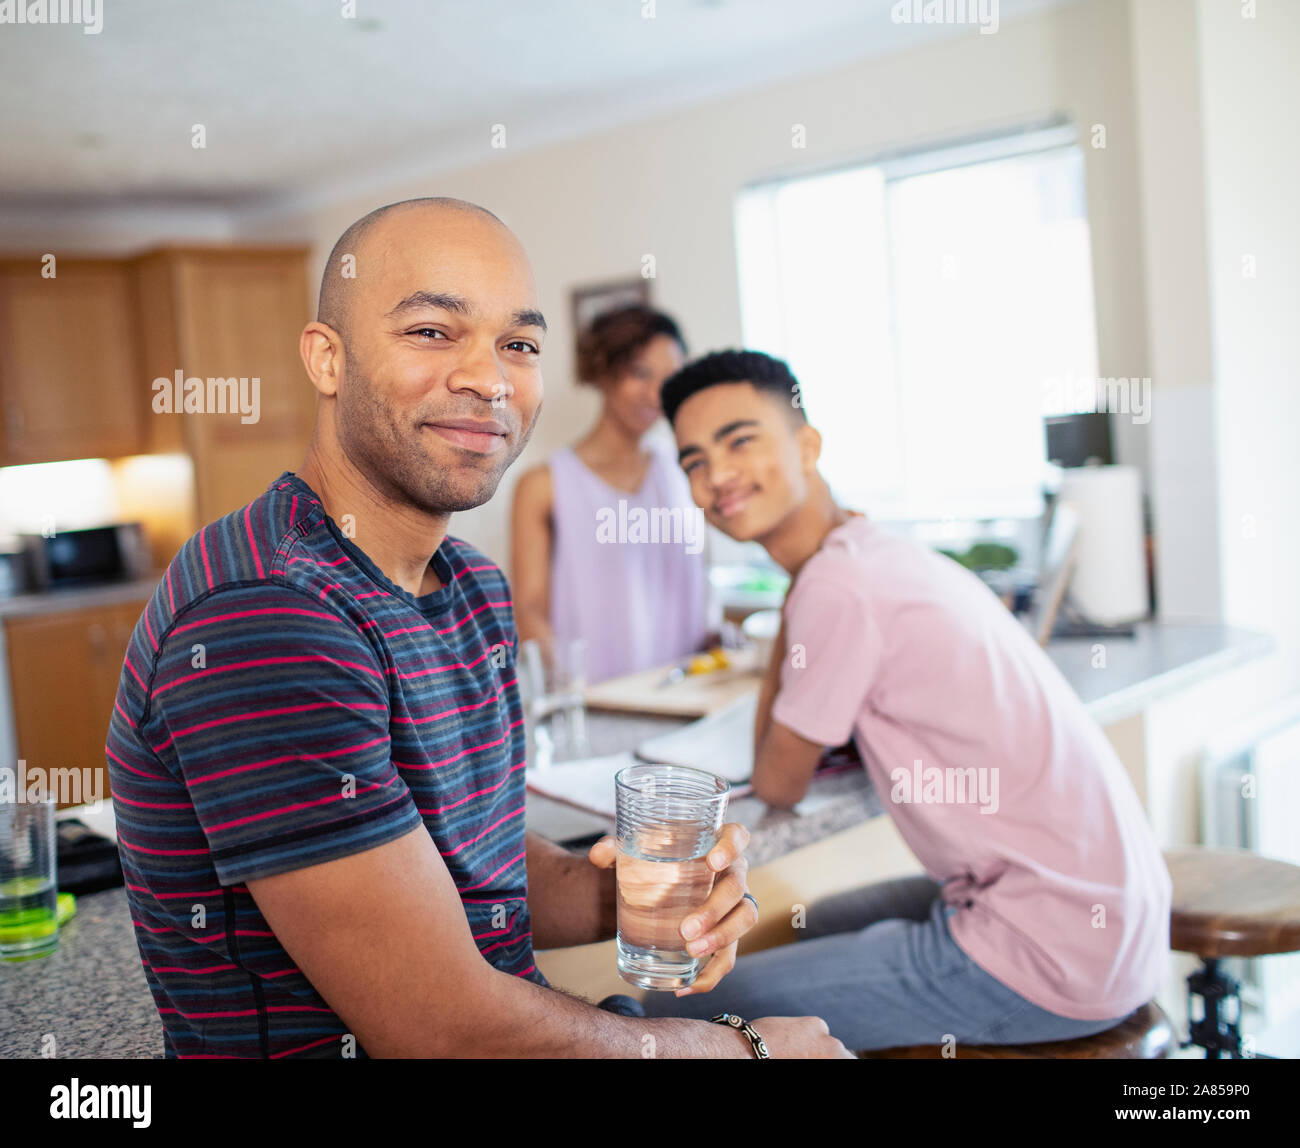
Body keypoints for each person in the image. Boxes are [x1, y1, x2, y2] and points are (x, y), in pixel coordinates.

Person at [104, 202, 850, 1059]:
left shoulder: (471, 590)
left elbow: (470, 859)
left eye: (519, 345)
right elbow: (440, 1031)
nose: (489, 378)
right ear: (328, 359)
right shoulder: (268, 614)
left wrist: (642, 896)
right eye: (431, 330)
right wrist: (746, 1050)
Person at [640, 348, 1173, 1051]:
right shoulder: (872, 554)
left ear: (808, 444)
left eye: (741, 440)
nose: (718, 476)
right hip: (1110, 923)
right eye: (694, 462)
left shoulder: (835, 585)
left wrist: (801, 596)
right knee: (812, 923)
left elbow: (777, 781)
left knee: (666, 1006)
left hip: (1050, 953)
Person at [510, 305, 712, 683]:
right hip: (595, 703)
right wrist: (573, 691)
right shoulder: (543, 485)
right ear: (602, 372)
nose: (656, 394)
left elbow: (701, 581)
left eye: (670, 379)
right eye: (640, 374)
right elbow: (529, 609)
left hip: (687, 695)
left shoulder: (688, 471)